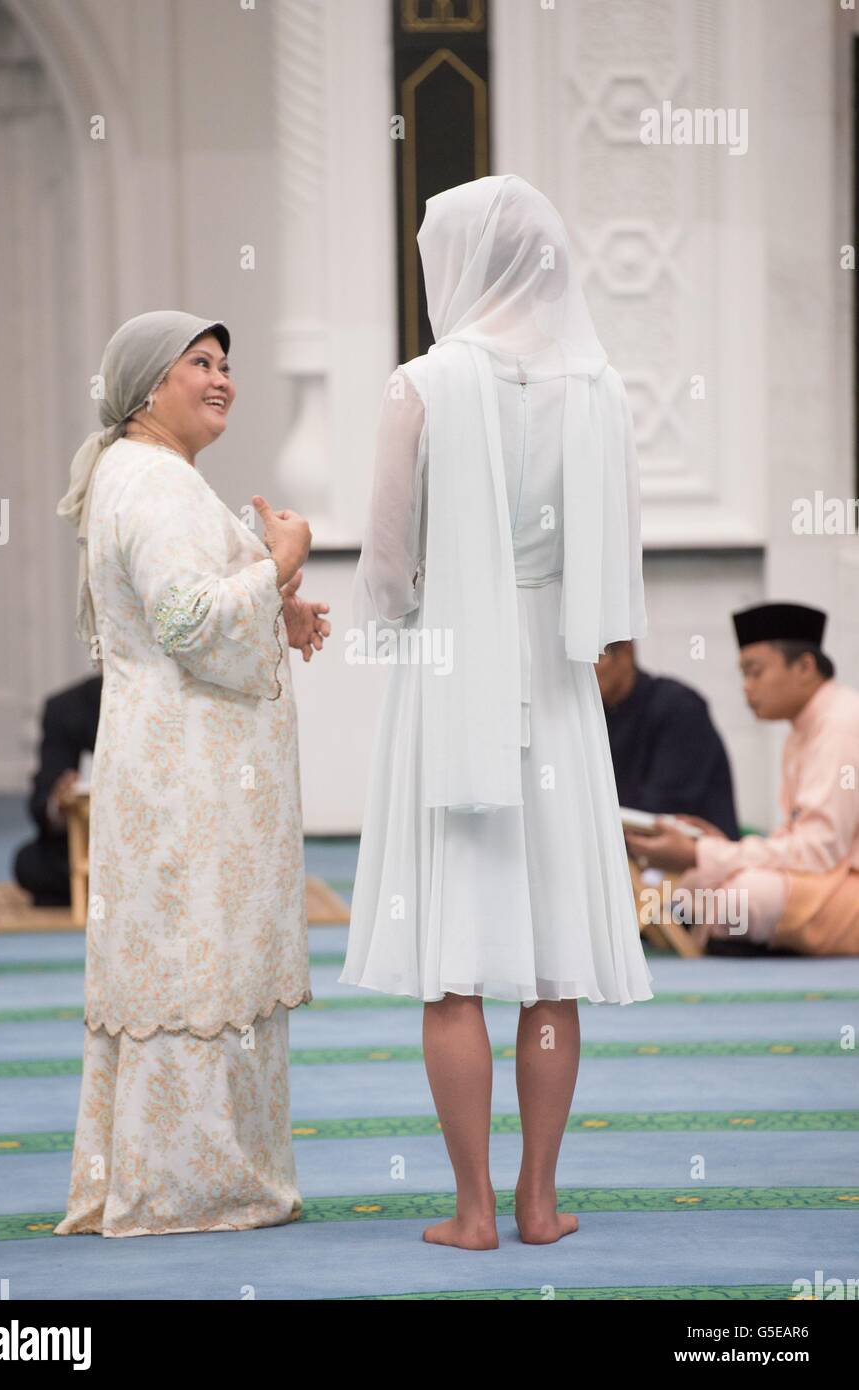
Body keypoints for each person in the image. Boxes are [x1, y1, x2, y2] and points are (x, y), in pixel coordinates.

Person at [340, 175, 652, 1250]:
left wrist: (400, 621)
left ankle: (471, 1210)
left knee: (455, 956)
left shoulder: (419, 386)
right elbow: (612, 569)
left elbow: (384, 564)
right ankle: (537, 1200)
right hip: (559, 685)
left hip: (450, 676)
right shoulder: (599, 386)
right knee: (552, 955)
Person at [52, 310, 330, 1237]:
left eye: (225, 362)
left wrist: (275, 603)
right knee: (197, 960)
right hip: (192, 769)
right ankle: (196, 1187)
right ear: (146, 389)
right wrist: (283, 561)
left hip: (167, 756)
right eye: (198, 364)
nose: (222, 379)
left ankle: (167, 1178)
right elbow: (184, 622)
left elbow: (181, 608)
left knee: (176, 956)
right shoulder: (159, 483)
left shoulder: (137, 475)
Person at [625, 603, 859, 956]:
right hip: (829, 877)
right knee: (694, 888)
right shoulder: (804, 729)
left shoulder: (840, 723)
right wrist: (718, 851)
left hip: (845, 883)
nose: (746, 688)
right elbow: (800, 840)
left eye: (755, 672)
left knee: (741, 898)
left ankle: (763, 942)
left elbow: (817, 851)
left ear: (805, 668)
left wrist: (705, 852)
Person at [596, 641, 739, 839]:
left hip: (695, 859)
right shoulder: (595, 717)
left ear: (626, 652)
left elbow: (662, 810)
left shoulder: (679, 707)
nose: (585, 674)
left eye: (593, 660)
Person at [13, 675, 102, 906]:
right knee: (29, 863)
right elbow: (41, 802)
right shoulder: (67, 707)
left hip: (153, 838)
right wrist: (60, 801)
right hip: (86, 841)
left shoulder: (163, 704)